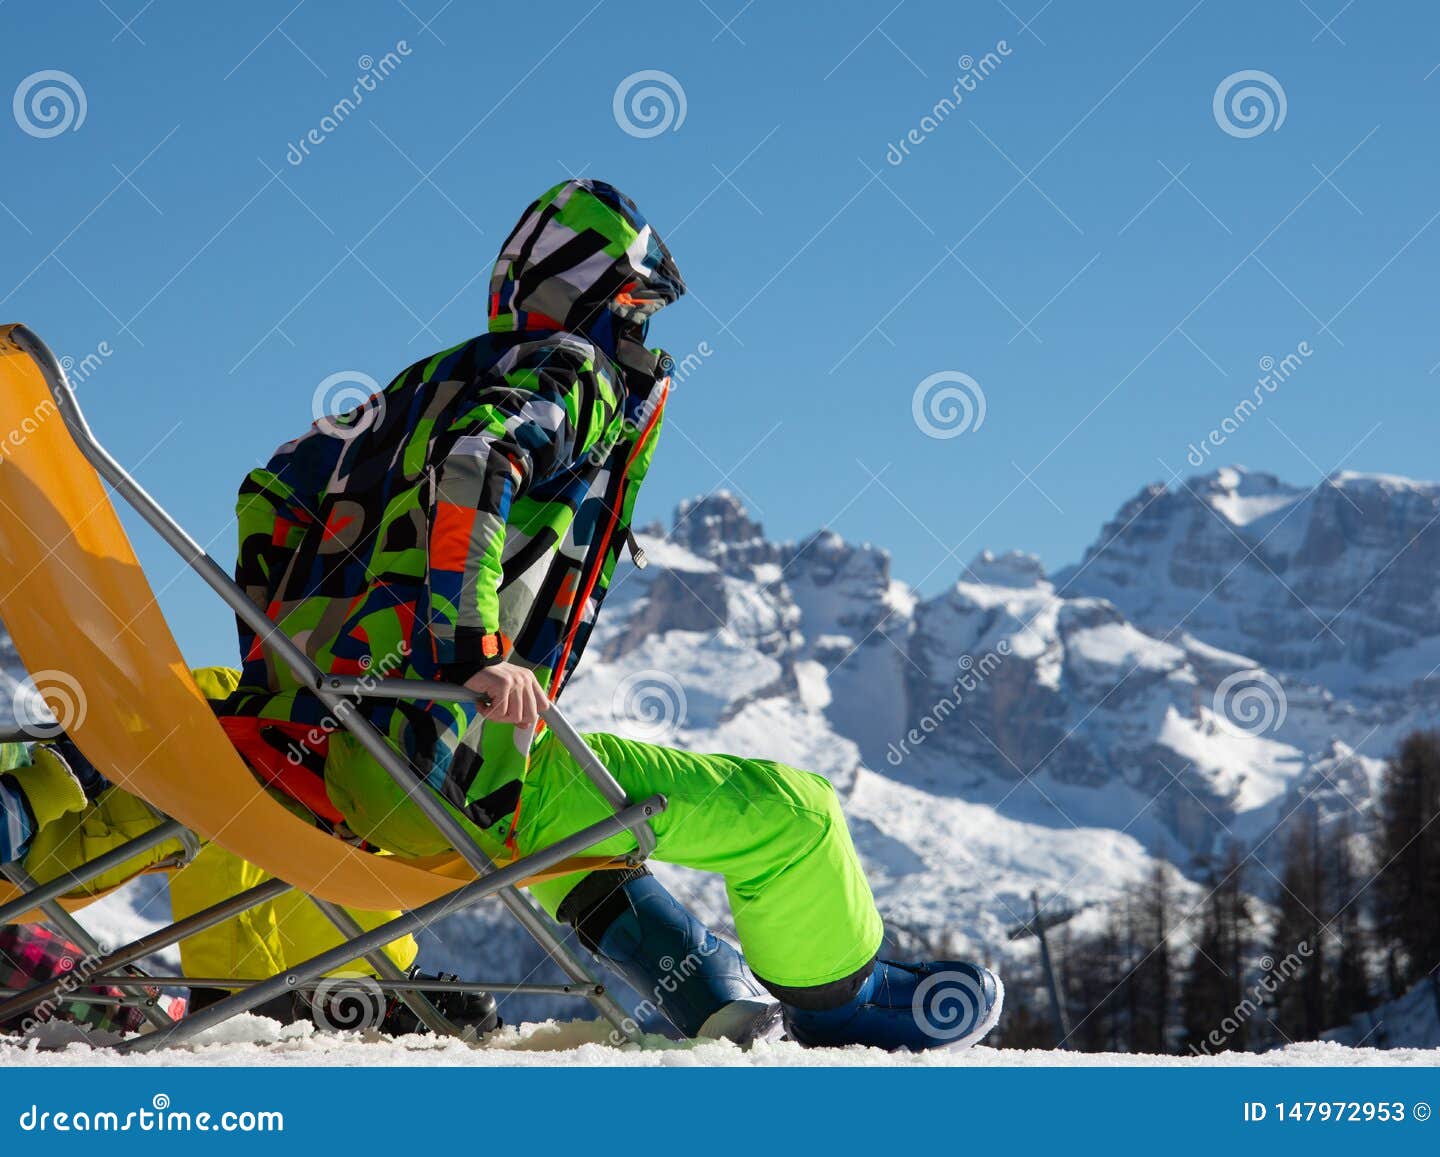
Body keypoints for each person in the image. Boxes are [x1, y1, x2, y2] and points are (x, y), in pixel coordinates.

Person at [219, 178, 1002, 1050]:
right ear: (596, 302)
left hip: (310, 753)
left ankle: (708, 994)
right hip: (437, 764)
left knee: (566, 803)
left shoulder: (408, 393)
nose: (639, 340)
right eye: (634, 314)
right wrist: (470, 649)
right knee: (799, 813)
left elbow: (269, 493)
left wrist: (285, 671)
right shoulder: (571, 371)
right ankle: (847, 1007)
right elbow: (483, 460)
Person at [0, 669, 496, 1038]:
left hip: (48, 818)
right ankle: (351, 982)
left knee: (242, 720)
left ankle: (331, 982)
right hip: (38, 837)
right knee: (238, 732)